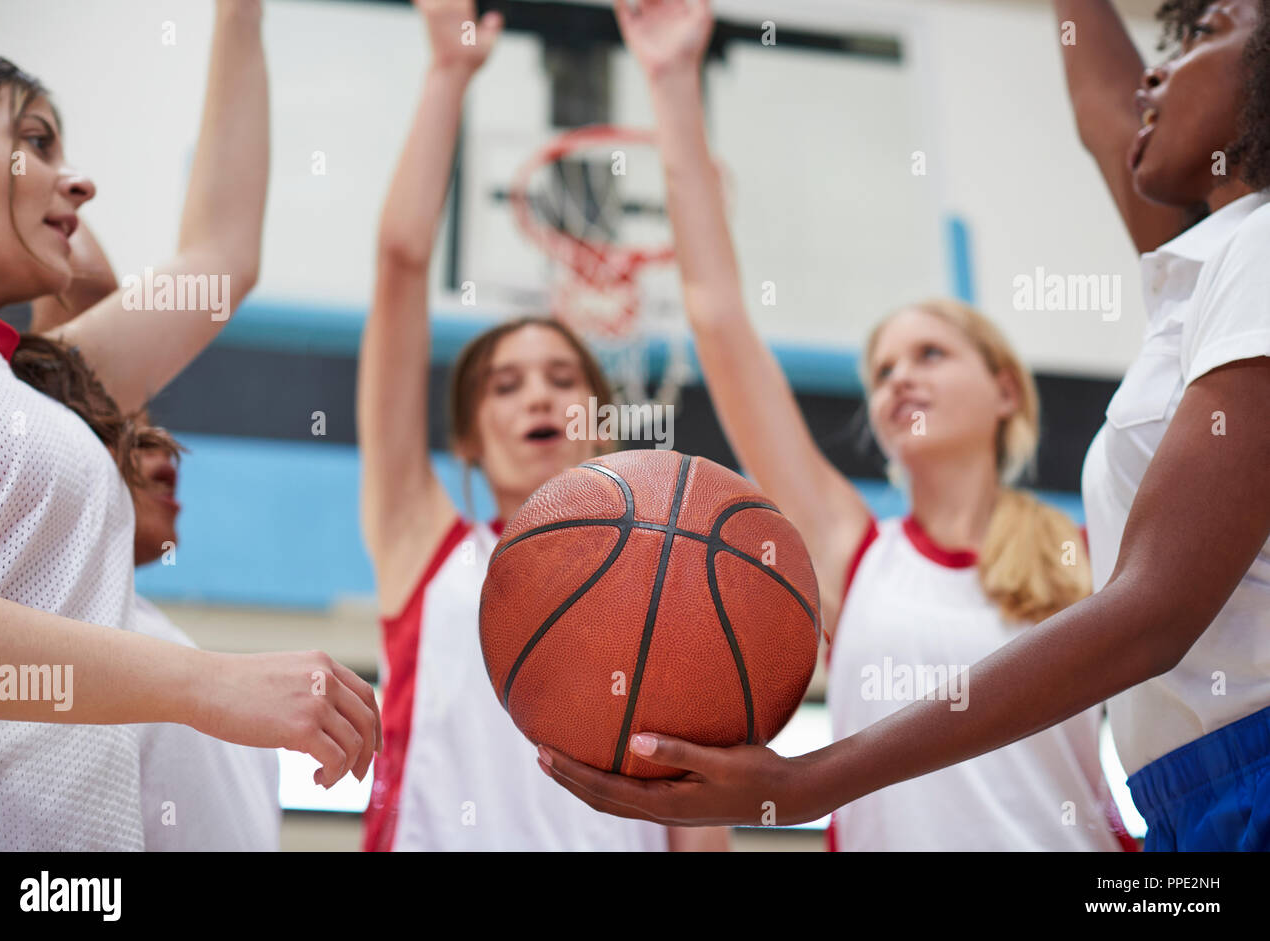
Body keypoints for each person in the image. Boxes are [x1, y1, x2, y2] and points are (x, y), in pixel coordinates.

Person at [539, 0, 1270, 853]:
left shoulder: (1085, 554)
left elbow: (1155, 606)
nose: (900, 379)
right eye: (881, 368)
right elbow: (722, 323)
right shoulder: (858, 557)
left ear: (1007, 390)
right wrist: (670, 81)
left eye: (930, 353)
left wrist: (809, 780)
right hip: (1193, 811)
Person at [0, 0, 377, 850]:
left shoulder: (23, 383)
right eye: (37, 141)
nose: (77, 180)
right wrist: (203, 682)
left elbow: (221, 256)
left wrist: (242, 13)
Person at [357, 0, 724, 851]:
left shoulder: (669, 590)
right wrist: (448, 75)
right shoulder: (424, 545)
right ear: (470, 440)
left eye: (563, 379)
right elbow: (401, 266)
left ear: (601, 424)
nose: (537, 398)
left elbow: (695, 825)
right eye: (505, 385)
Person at [33, 225, 282, 852]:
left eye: (159, 434)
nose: (168, 454)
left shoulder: (161, 648)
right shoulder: (36, 633)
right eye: (131, 437)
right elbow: (78, 289)